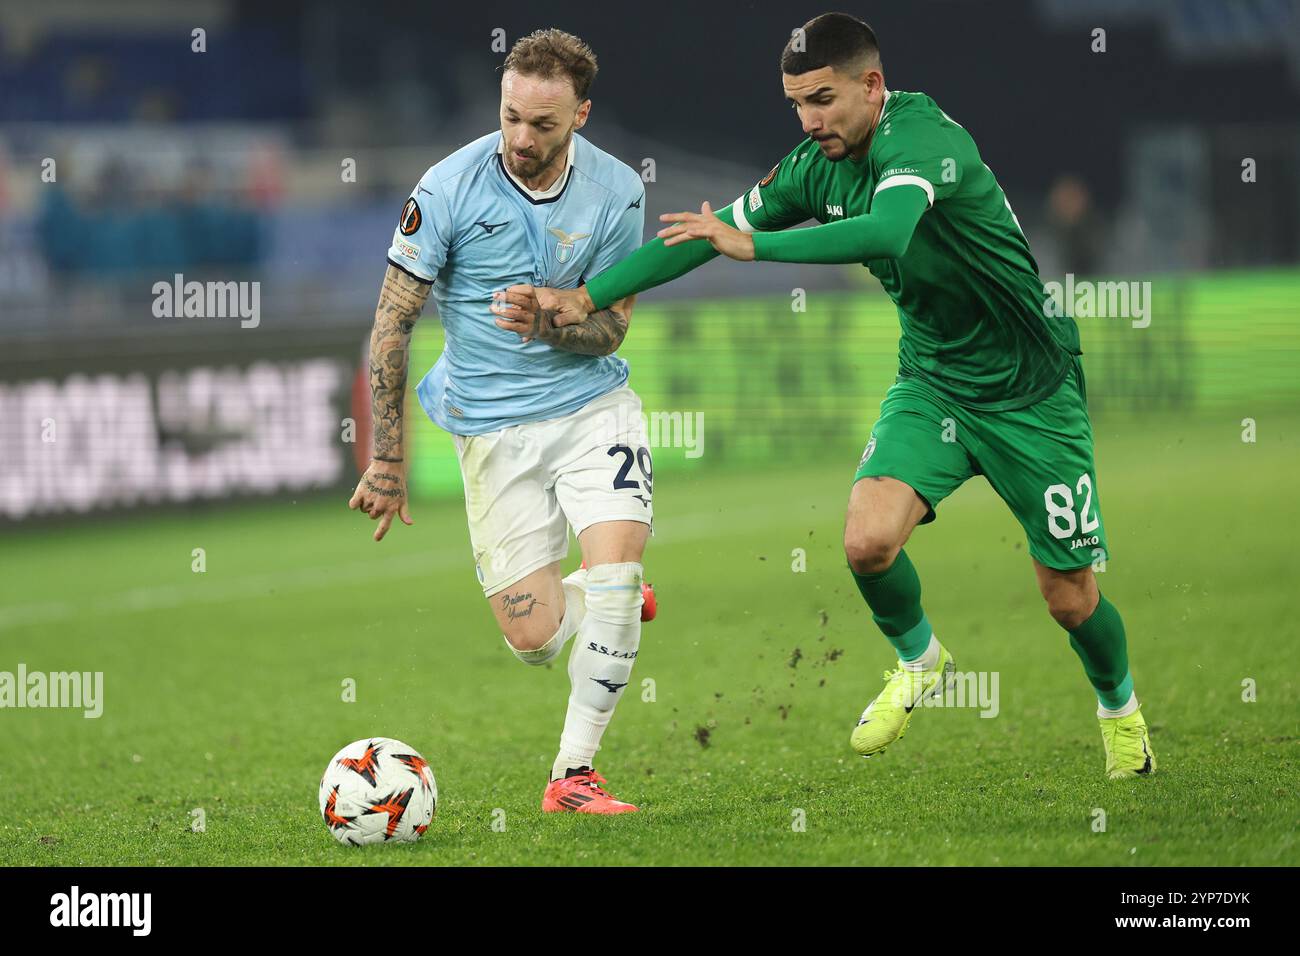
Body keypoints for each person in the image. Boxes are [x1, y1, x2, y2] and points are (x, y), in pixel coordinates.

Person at [494, 14, 1154, 780]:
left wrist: (760, 245)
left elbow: (889, 232)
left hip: (1033, 392)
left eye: (823, 100)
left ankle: (1120, 711)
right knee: (866, 543)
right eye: (796, 104)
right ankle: (920, 661)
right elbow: (707, 235)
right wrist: (586, 295)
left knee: (1069, 598)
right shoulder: (814, 165)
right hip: (935, 380)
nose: (810, 121)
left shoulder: (923, 139)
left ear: (872, 86)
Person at [350, 29, 657, 814]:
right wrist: (387, 460)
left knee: (618, 581)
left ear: (580, 115)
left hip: (593, 409)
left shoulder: (619, 191)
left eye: (543, 125)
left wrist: (552, 324)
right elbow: (391, 326)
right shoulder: (447, 187)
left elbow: (612, 328)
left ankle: (572, 777)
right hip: (492, 430)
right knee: (535, 640)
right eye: (511, 117)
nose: (521, 138)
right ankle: (600, 599)